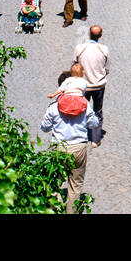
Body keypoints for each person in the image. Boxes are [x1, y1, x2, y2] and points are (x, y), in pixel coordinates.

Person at [40, 77, 101, 213]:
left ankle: (54, 209)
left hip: (59, 148)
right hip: (79, 148)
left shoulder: (54, 107)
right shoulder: (85, 105)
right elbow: (94, 124)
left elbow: (44, 127)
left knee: (55, 182)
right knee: (75, 185)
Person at [75, 24, 110, 124]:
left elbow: (74, 66)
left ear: (89, 34)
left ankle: (82, 133)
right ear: (100, 36)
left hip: (83, 85)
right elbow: (107, 69)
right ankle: (96, 137)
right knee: (98, 110)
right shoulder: (104, 49)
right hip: (99, 85)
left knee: (81, 110)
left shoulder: (79, 48)